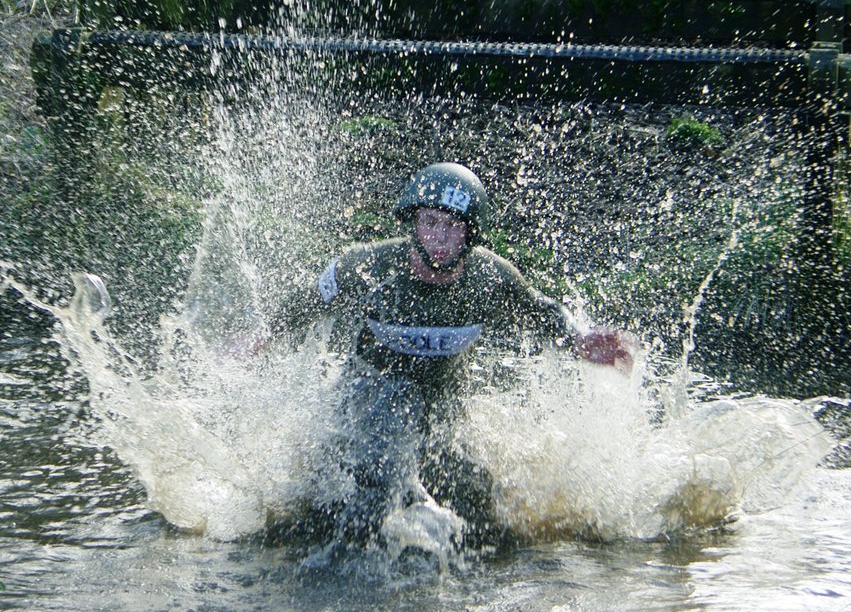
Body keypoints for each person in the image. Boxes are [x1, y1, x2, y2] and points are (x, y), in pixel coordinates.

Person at [271, 162, 636, 550]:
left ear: (470, 233)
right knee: (364, 498)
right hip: (366, 407)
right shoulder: (366, 267)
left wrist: (578, 341)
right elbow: (309, 302)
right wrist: (262, 338)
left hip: (443, 410)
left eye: (453, 226)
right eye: (430, 222)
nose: (440, 238)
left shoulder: (490, 277)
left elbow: (540, 309)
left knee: (480, 507)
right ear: (412, 223)